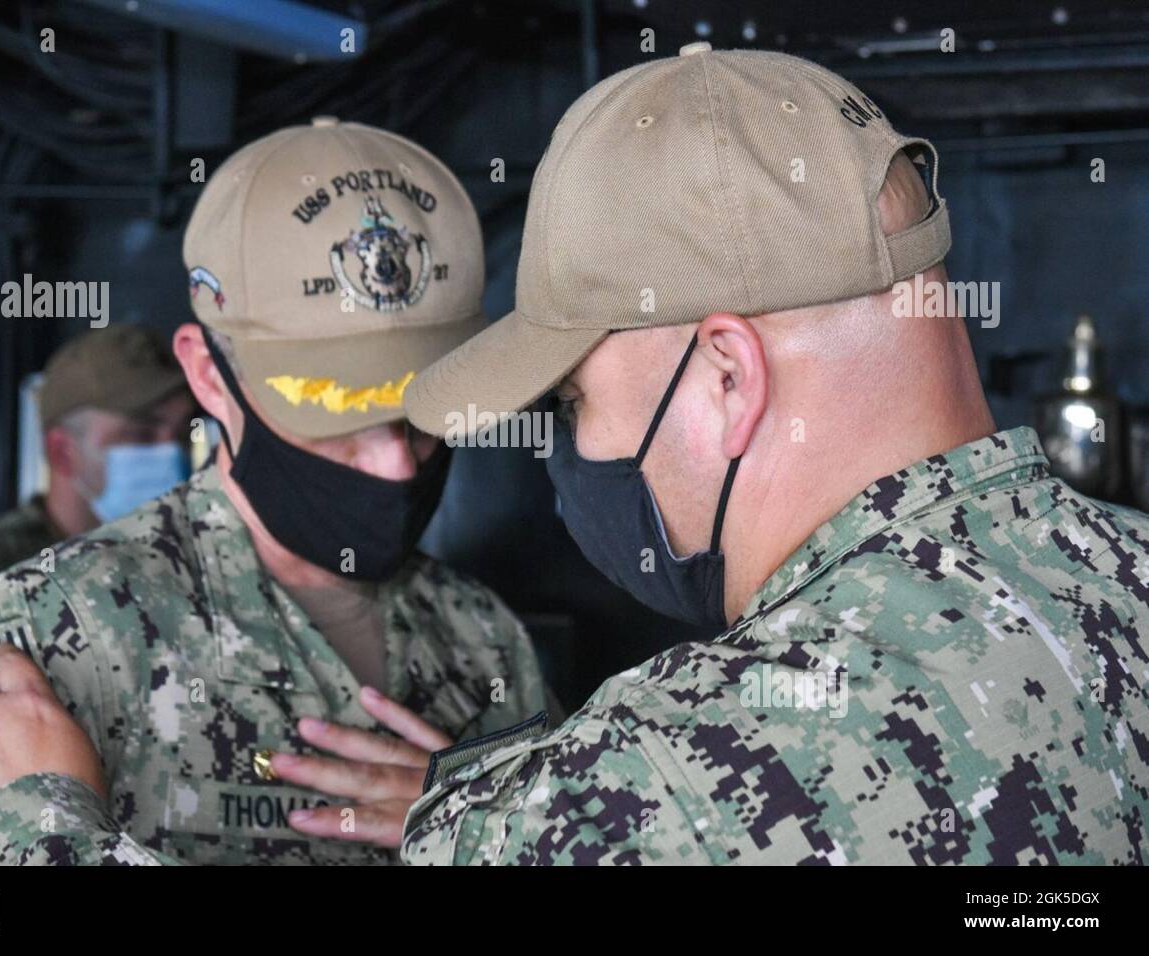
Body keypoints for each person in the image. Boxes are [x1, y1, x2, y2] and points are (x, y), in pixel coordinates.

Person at [391, 45, 1149, 864]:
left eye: (574, 402)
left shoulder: (629, 797)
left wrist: (500, 814)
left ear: (728, 377)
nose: (570, 448)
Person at [0, 118, 557, 864]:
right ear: (210, 375)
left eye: (420, 416)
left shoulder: (483, 638)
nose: (396, 467)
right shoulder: (31, 650)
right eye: (331, 413)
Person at [0, 324, 195, 605]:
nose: (173, 453)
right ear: (62, 451)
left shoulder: (191, 558)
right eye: (141, 434)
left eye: (183, 436)